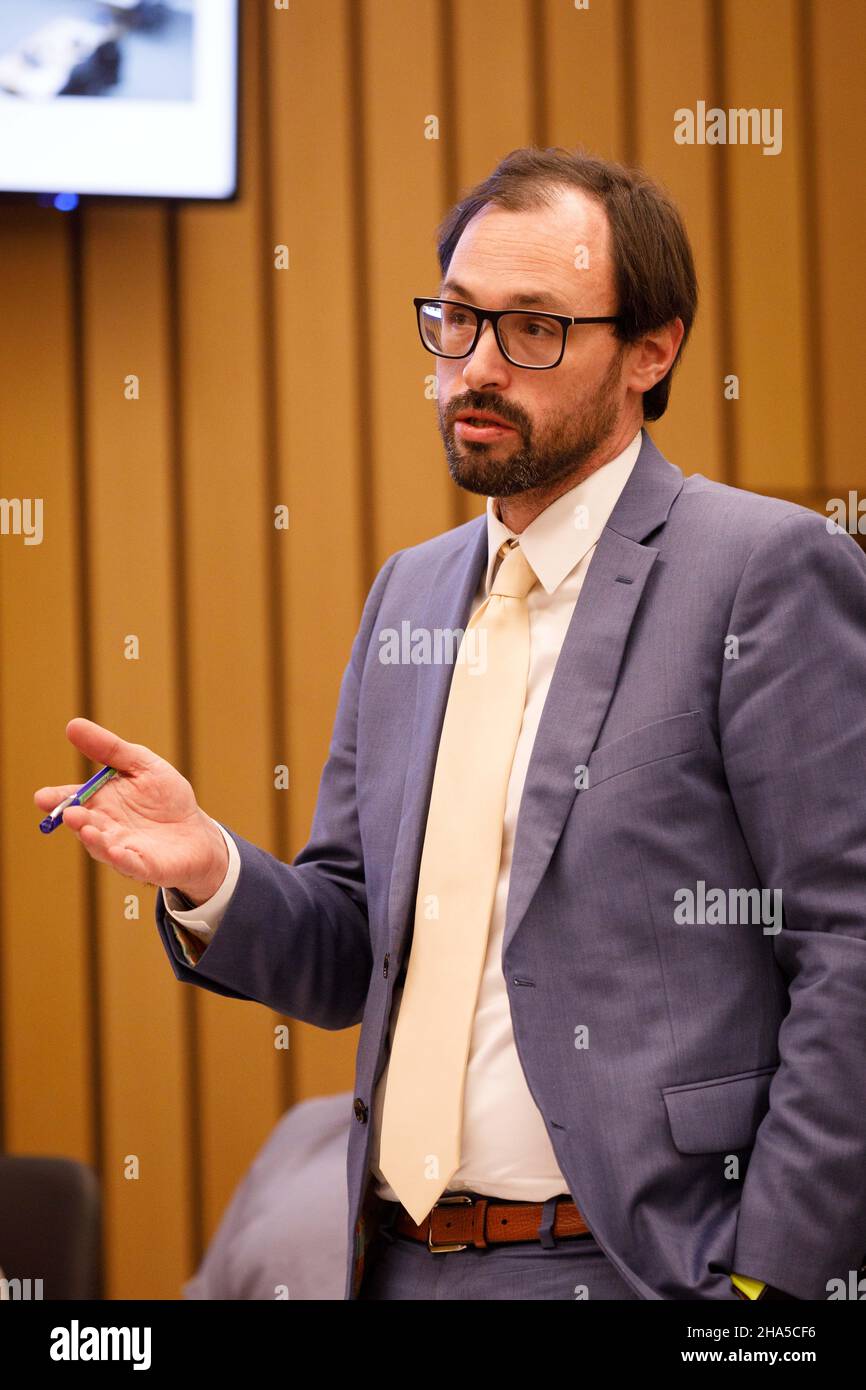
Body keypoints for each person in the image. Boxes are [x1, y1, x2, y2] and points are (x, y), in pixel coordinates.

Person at [35, 147, 866, 1302]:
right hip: (393, 1261)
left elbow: (846, 948)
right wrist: (211, 868)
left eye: (531, 330)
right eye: (456, 320)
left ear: (650, 349)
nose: (474, 367)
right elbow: (347, 951)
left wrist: (766, 1289)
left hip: (641, 1269)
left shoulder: (759, 572)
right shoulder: (410, 595)